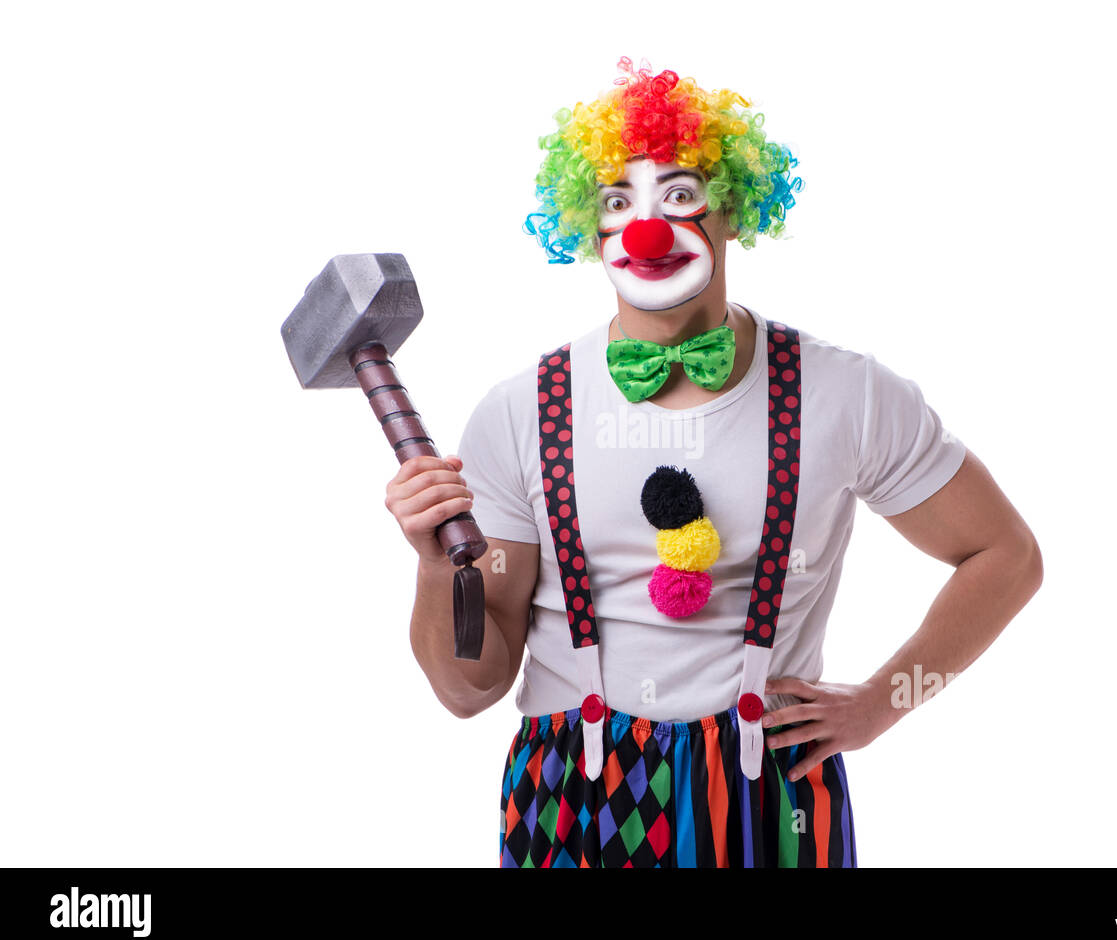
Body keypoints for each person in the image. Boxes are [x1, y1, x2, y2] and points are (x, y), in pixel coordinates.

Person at [384, 58, 1043, 868]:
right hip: (572, 794)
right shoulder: (521, 409)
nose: (648, 227)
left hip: (772, 791)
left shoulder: (846, 393)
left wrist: (882, 704)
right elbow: (468, 690)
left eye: (679, 195)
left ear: (730, 208)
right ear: (589, 230)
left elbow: (1006, 556)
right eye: (617, 202)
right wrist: (430, 567)